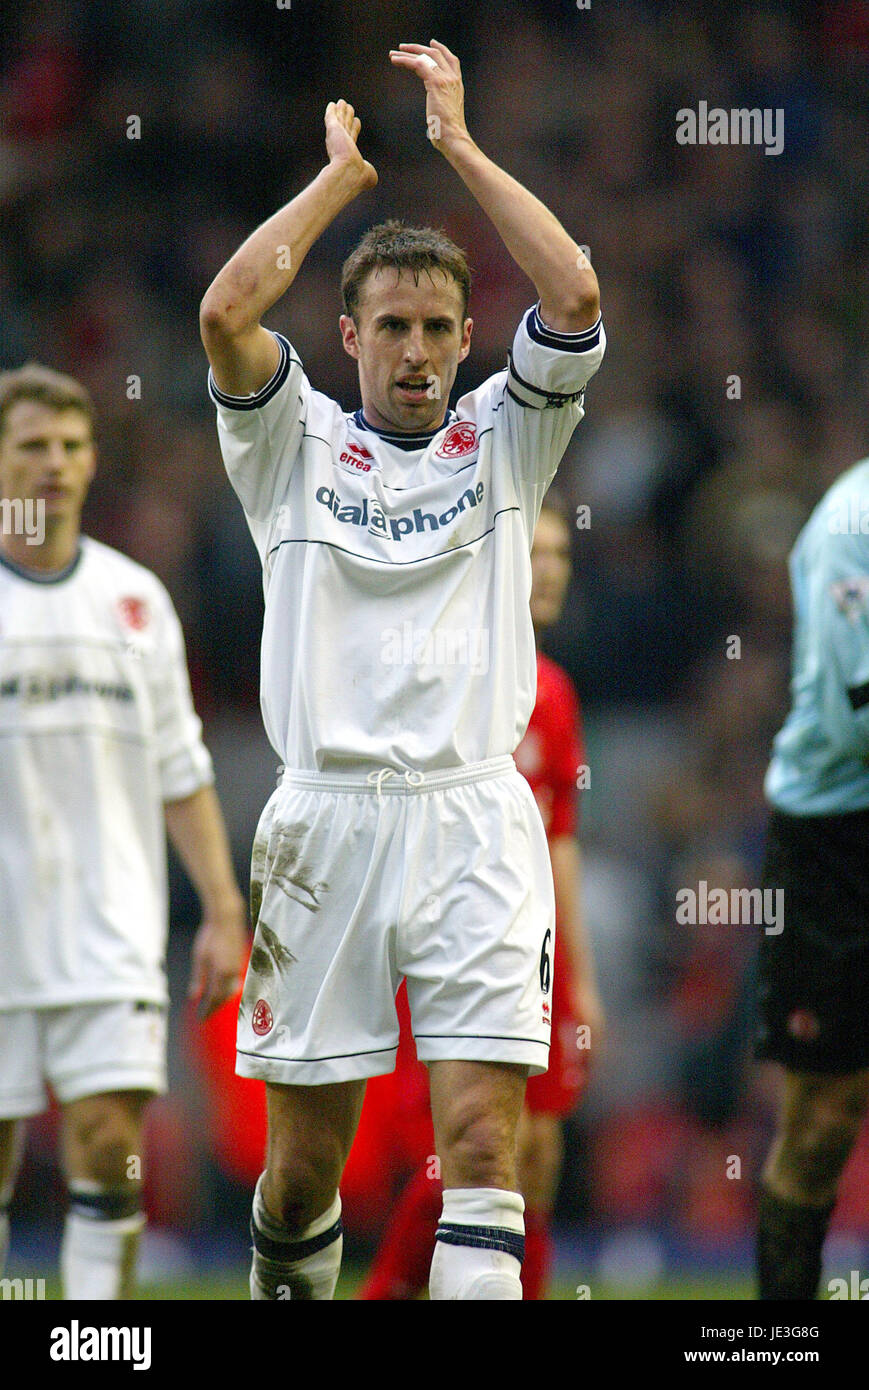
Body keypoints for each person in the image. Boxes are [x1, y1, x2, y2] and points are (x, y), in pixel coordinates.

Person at [200, 39, 604, 1301]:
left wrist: (461, 149)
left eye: (438, 328)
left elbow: (579, 293)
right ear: (350, 334)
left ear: (468, 335)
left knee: (484, 1143)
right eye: (392, 328)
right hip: (323, 822)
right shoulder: (292, 442)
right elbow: (221, 314)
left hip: (475, 821)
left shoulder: (504, 437)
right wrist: (338, 182)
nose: (418, 353)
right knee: (304, 1170)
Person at [0, 363, 248, 1299]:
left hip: (109, 927)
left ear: (93, 459)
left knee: (108, 1146)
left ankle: (93, 1339)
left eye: (70, 445)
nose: (54, 464)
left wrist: (224, 911)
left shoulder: (134, 600)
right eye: (31, 444)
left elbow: (181, 770)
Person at [354, 497, 604, 1299]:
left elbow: (559, 840)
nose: (552, 571)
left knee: (539, 1156)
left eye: (562, 555)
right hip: (453, 943)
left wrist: (582, 978)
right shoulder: (443, 671)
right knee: (461, 1154)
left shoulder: (557, 693)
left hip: (537, 951)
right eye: (536, 553)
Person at [755, 454, 869, 1299]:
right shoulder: (847, 526)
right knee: (823, 1120)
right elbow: (849, 714)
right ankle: (779, 1330)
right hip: (837, 841)